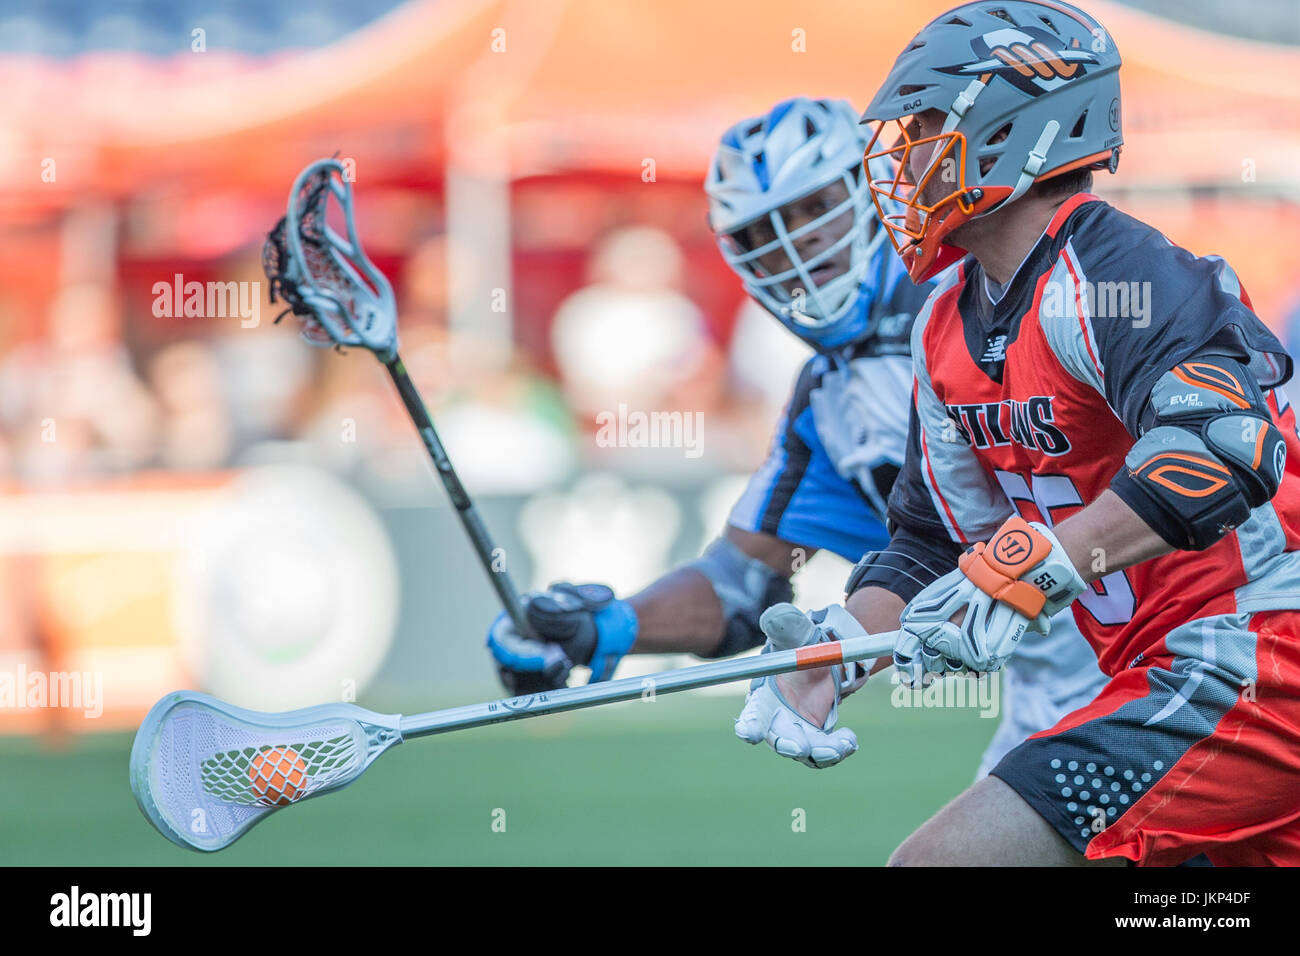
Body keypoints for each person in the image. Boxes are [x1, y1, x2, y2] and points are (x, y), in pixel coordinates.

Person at [752, 0, 1300, 865]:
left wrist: (1031, 569)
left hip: (1261, 655)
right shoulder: (943, 320)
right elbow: (933, 539)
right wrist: (843, 650)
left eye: (927, 123)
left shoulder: (1118, 274)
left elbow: (1223, 449)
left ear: (1015, 125)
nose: (903, 153)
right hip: (1162, 671)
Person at [488, 96, 1105, 778]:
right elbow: (744, 584)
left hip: (1171, 645)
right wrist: (606, 625)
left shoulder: (993, 295)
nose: (797, 240)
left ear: (873, 194)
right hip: (1056, 698)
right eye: (764, 229)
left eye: (815, 207)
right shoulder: (827, 394)